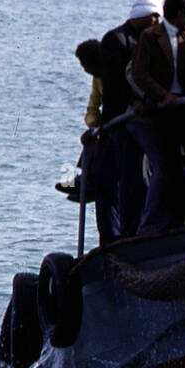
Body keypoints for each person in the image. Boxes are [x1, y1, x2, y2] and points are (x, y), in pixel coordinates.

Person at [124, 0, 185, 232]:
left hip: (183, 107)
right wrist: (162, 95)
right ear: (178, 15)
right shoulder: (150, 37)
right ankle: (159, 225)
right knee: (169, 166)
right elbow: (139, 74)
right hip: (161, 110)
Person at [100, 0, 163, 236]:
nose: (157, 21)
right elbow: (114, 81)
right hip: (120, 118)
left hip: (144, 118)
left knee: (139, 176)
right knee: (124, 176)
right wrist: (132, 101)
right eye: (154, 16)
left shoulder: (150, 38)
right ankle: (123, 233)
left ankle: (138, 227)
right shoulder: (116, 40)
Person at [75, 38, 119, 245]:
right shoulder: (98, 79)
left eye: (86, 65)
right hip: (106, 131)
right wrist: (93, 126)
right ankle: (85, 178)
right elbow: (93, 107)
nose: (85, 70)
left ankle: (117, 233)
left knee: (114, 185)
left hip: (120, 130)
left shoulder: (114, 71)